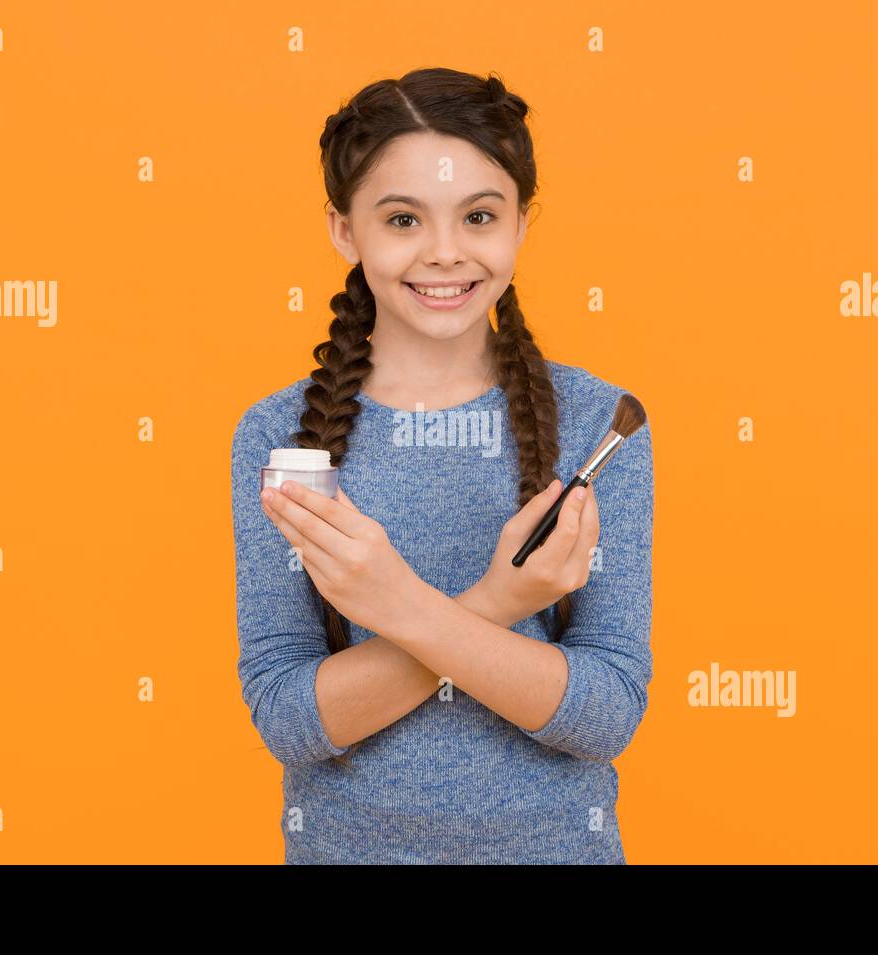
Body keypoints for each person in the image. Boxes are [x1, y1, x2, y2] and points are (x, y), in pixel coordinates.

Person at [231, 67, 654, 863]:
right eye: (402, 219)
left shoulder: (601, 422)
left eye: (480, 215)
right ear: (344, 231)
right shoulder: (278, 438)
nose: (446, 253)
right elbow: (291, 721)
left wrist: (402, 606)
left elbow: (606, 717)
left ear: (522, 224)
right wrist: (500, 600)